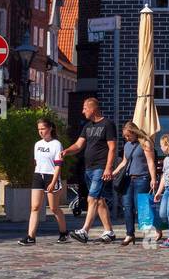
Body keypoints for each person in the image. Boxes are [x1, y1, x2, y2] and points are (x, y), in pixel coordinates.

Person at [61, 96, 118, 244]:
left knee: (91, 198)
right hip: (89, 169)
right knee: (99, 201)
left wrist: (108, 168)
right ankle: (109, 232)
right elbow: (79, 145)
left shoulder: (108, 124)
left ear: (93, 109)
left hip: (101, 167)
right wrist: (67, 151)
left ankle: (84, 231)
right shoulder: (87, 126)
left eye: (85, 108)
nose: (83, 111)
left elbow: (112, 148)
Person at [17, 118, 69, 246]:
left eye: (43, 129)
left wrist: (53, 182)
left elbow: (58, 165)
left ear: (50, 128)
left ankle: (63, 232)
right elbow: (36, 162)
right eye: (39, 129)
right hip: (38, 175)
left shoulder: (56, 144)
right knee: (35, 207)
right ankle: (31, 237)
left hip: (51, 176)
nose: (41, 131)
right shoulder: (37, 144)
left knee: (54, 208)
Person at [117, 121, 157, 245]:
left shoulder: (145, 143)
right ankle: (129, 234)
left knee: (142, 208)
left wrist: (153, 179)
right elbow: (124, 162)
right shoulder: (127, 145)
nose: (127, 138)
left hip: (142, 178)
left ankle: (148, 236)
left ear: (134, 133)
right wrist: (114, 172)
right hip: (129, 179)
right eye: (125, 136)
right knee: (127, 207)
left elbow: (151, 162)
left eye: (128, 136)